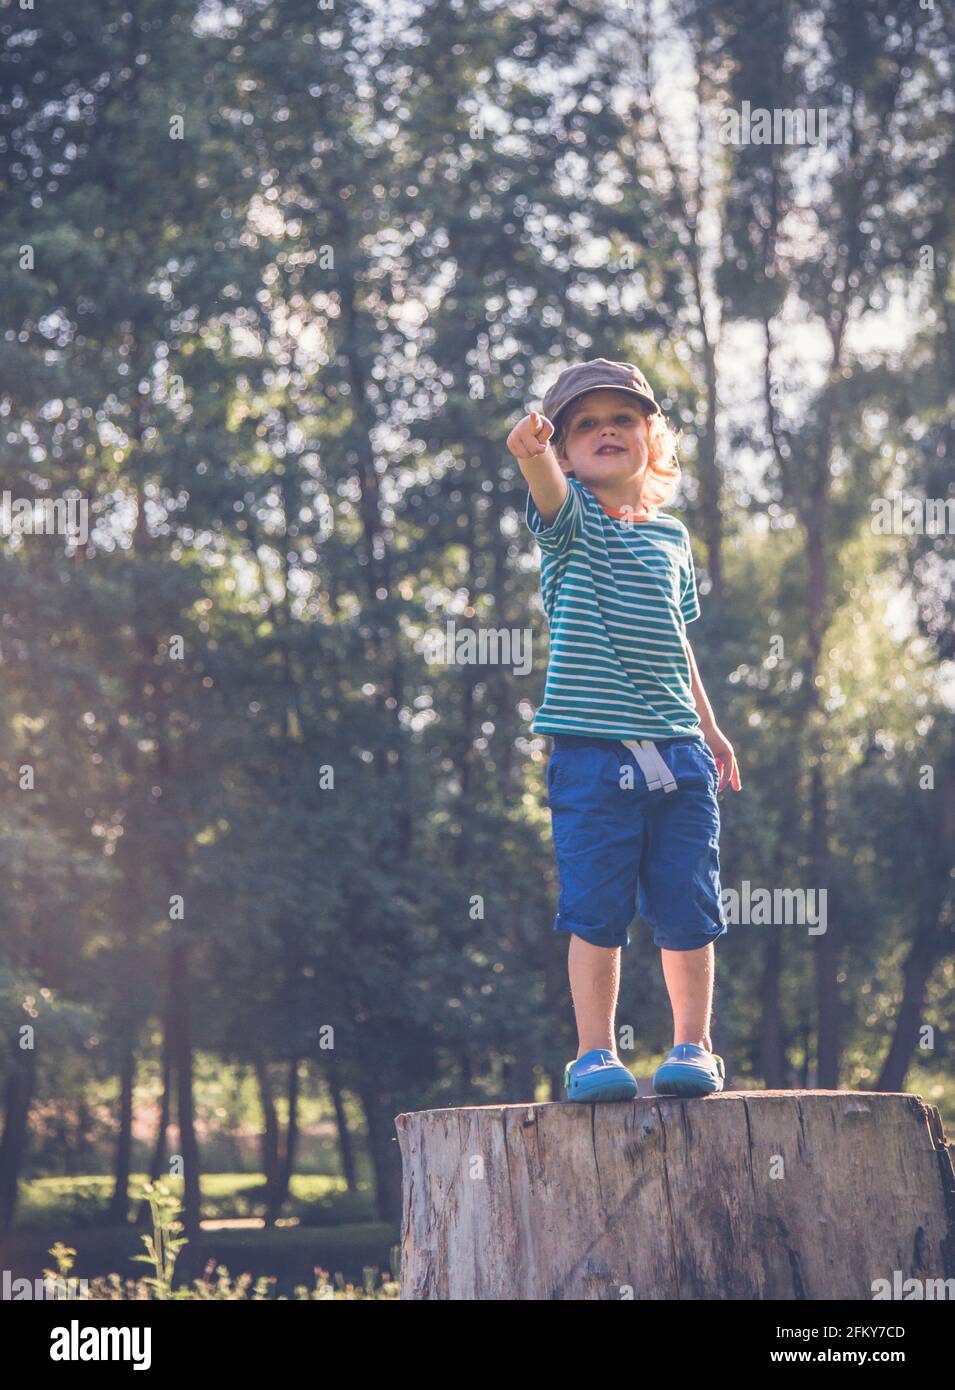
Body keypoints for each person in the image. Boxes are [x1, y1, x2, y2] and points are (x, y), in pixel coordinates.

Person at [507, 358, 742, 1102]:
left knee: (688, 904)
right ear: (568, 453)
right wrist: (530, 449)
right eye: (584, 425)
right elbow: (543, 484)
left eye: (622, 419)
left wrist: (711, 729)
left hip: (678, 753)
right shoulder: (568, 522)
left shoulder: (671, 541)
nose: (605, 430)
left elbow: (678, 641)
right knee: (595, 908)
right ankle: (594, 1055)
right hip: (590, 757)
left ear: (650, 438)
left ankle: (692, 1046)